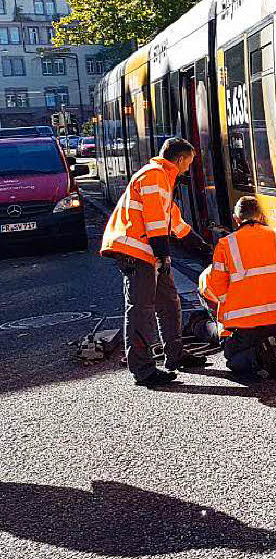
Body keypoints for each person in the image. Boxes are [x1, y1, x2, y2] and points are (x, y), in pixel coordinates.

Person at [100, 137, 213, 387]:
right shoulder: (154, 175)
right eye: (189, 163)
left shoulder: (163, 179)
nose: (189, 168)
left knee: (169, 302)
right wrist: (163, 255)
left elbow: (175, 223)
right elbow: (153, 222)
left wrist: (205, 248)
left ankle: (175, 355)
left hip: (146, 251)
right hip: (137, 251)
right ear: (181, 159)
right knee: (141, 309)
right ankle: (142, 369)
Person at [199, 196, 276, 379]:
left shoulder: (226, 244)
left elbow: (217, 289)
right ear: (261, 217)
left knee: (232, 357)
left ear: (236, 219)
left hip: (249, 324)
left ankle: (260, 354)